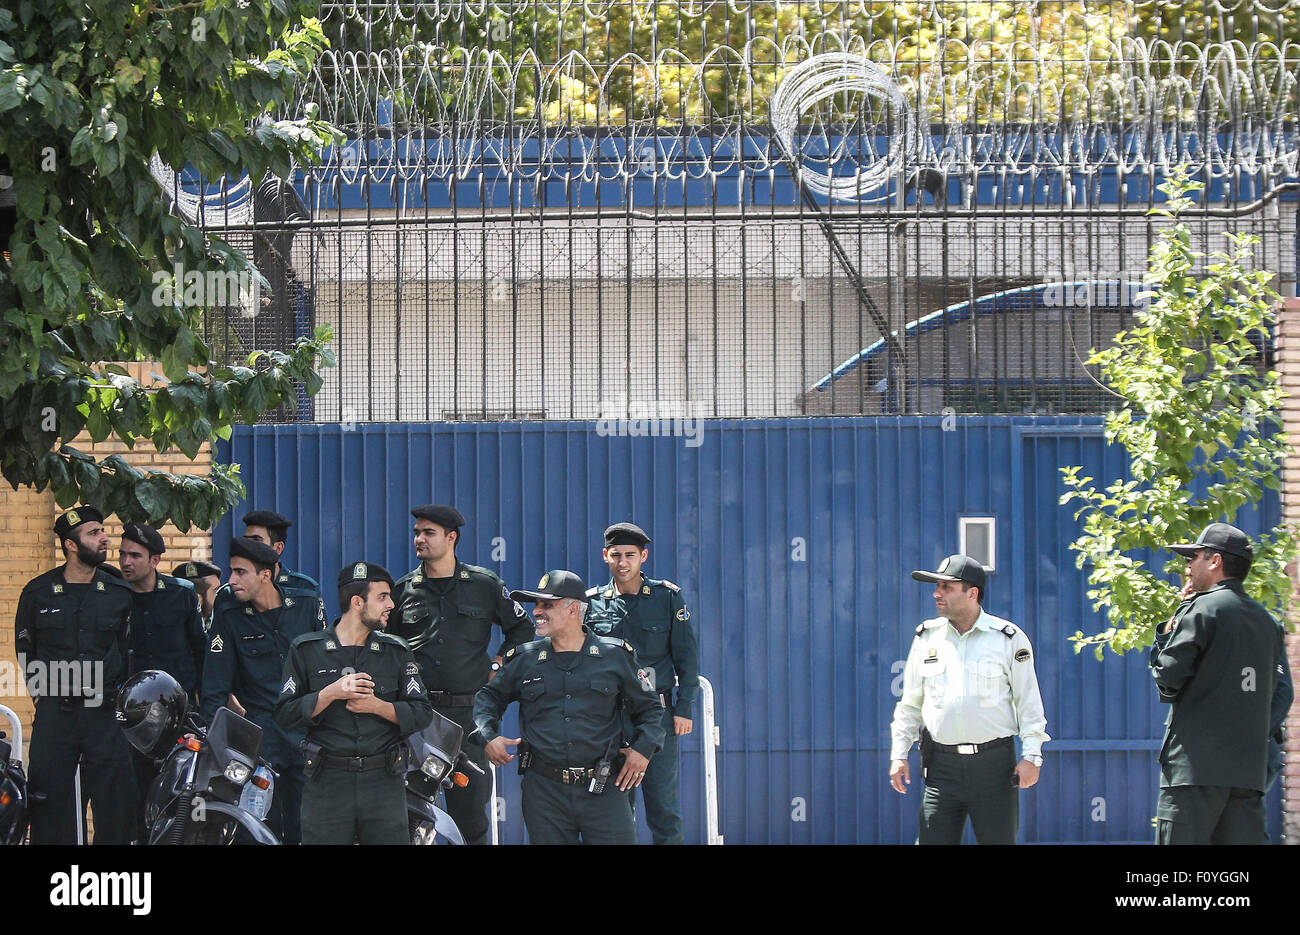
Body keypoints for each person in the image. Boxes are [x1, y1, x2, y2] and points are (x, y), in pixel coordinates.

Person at [473, 570, 666, 845]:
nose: (537, 611)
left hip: (604, 790)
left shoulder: (615, 657)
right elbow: (487, 698)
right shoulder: (525, 659)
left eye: (546, 605)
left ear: (573, 609)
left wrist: (643, 751)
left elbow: (651, 709)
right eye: (536, 605)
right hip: (544, 793)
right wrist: (487, 735)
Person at [389, 504, 533, 845]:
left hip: (467, 719)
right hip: (416, 716)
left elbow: (522, 628)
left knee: (469, 815)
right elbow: (387, 647)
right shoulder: (404, 590)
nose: (419, 539)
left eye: (428, 532)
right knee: (406, 814)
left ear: (451, 538)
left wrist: (497, 665)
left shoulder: (484, 585)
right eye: (416, 533)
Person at [888, 554, 1049, 845]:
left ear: (972, 593)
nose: (937, 593)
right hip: (941, 769)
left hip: (994, 768)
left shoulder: (1008, 638)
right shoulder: (927, 637)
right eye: (936, 586)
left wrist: (1032, 755)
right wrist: (899, 754)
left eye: (947, 587)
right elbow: (910, 703)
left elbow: (1028, 701)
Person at [276, 562, 433, 845]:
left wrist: (378, 707)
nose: (391, 604)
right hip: (328, 784)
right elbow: (285, 713)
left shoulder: (395, 651)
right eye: (382, 597)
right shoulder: (306, 650)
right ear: (357, 602)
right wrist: (329, 693)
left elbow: (422, 712)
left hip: (383, 783)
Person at [1151, 523, 1285, 845]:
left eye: (1194, 557)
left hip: (1194, 771)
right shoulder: (1269, 622)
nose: (1187, 566)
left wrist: (1174, 620)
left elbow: (1167, 677)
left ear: (1215, 562)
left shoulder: (1201, 609)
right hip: (1247, 774)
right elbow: (1283, 694)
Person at [14, 507, 138, 843]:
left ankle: (111, 886)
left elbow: (129, 651)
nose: (104, 538)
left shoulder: (118, 593)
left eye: (103, 531)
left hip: (105, 715)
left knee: (115, 806)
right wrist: (41, 695)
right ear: (71, 545)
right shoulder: (38, 592)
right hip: (57, 715)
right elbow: (26, 648)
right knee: (49, 803)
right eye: (94, 532)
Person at [200, 536, 326, 844]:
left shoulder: (306, 606)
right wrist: (214, 744)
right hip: (259, 739)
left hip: (305, 733)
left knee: (306, 826)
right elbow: (215, 686)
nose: (231, 581)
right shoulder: (230, 616)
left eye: (241, 572)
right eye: (232, 571)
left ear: (265, 575)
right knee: (254, 830)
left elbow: (325, 671)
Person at [584, 521, 699, 845]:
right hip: (608, 720)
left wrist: (684, 707)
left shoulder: (667, 598)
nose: (623, 563)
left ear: (643, 556)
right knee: (615, 811)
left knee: (664, 809)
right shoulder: (591, 604)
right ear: (605, 556)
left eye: (630, 555)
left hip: (657, 717)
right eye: (616, 555)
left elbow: (686, 656)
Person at [120, 523, 206, 700]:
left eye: (135, 556)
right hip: (133, 701)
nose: (126, 562)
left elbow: (200, 648)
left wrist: (203, 693)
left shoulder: (182, 593)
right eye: (122, 554)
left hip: (178, 698)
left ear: (155, 560)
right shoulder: (115, 596)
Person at [241, 509, 321, 599]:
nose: (248, 547)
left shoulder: (305, 589)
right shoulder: (234, 590)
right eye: (246, 541)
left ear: (278, 548)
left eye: (257, 540)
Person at [172, 559, 222, 632]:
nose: (219, 595)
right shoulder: (171, 632)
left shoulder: (221, 626)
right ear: (197, 598)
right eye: (216, 590)